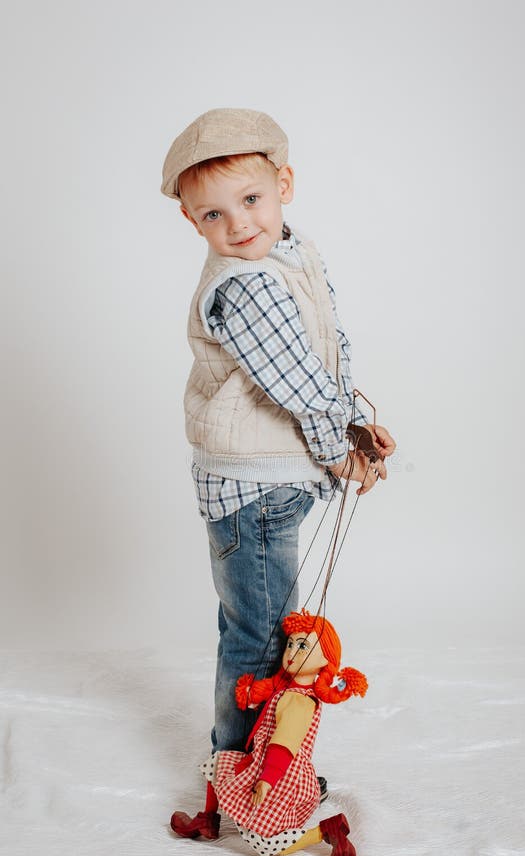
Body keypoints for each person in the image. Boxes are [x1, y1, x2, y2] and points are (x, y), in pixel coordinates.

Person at [160, 108, 396, 754]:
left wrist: (355, 426)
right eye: (213, 214)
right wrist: (338, 451)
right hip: (252, 490)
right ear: (191, 219)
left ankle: (256, 760)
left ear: (284, 185)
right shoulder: (244, 288)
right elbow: (299, 385)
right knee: (260, 637)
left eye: (251, 199)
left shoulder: (289, 257)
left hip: (266, 482)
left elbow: (326, 351)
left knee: (258, 625)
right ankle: (241, 767)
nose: (237, 224)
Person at [170, 611, 367, 856]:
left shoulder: (299, 701)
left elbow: (283, 744)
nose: (292, 651)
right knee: (218, 763)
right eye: (291, 643)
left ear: (325, 661)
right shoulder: (287, 688)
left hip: (280, 775)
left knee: (264, 843)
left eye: (304, 645)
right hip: (261, 760)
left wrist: (266, 780)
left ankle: (325, 831)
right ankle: (208, 817)